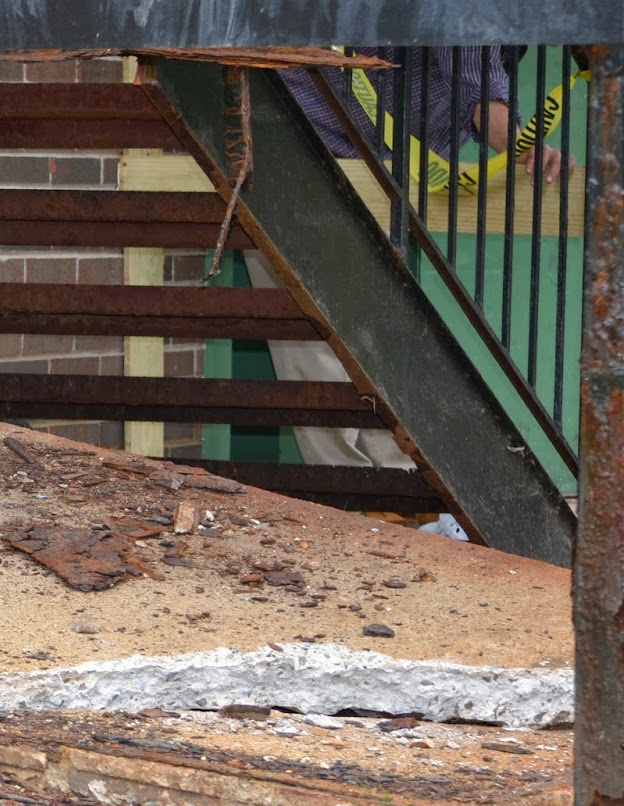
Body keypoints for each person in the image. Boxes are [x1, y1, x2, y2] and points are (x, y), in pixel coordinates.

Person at [243, 49, 567, 534]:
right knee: (314, 341)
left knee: (359, 340)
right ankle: (360, 506)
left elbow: (471, 83)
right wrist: (524, 146)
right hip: (296, 140)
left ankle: (393, 505)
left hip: (354, 154)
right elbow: (475, 86)